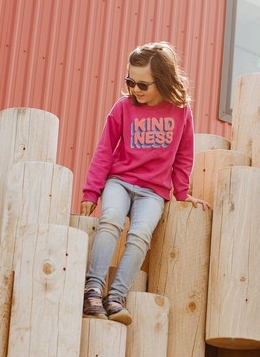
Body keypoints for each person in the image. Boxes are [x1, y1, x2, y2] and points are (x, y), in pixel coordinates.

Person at [80, 42, 208, 325]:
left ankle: (116, 298)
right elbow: (104, 150)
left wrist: (182, 193)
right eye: (130, 82)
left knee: (140, 235)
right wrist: (91, 191)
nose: (134, 90)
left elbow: (184, 154)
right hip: (120, 181)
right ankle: (92, 291)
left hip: (153, 192)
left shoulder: (180, 111)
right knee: (111, 219)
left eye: (142, 84)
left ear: (162, 81)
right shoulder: (123, 107)